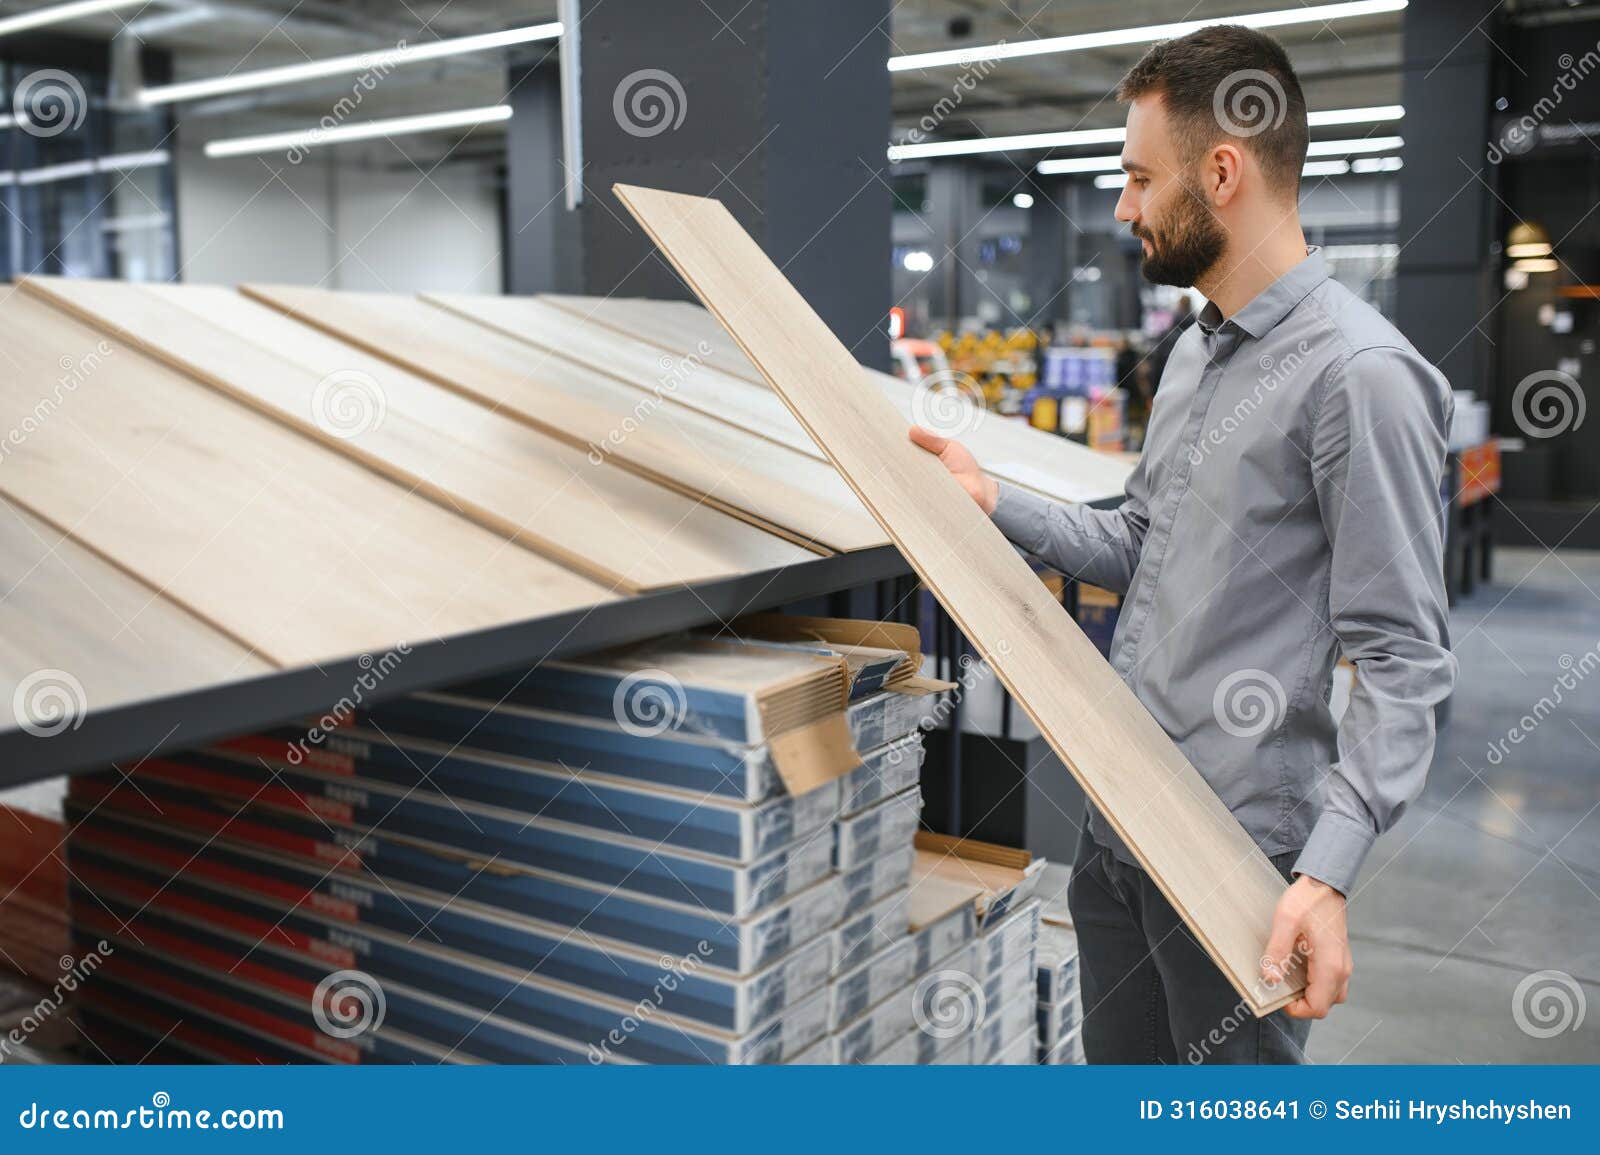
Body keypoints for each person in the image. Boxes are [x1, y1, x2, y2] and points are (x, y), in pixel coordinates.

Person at [910, 24, 1455, 1064]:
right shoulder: (1197, 354)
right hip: (1119, 826)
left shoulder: (1360, 376)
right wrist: (989, 501)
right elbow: (1137, 540)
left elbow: (1401, 659)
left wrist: (1325, 874)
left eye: (1135, 177)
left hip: (1235, 850)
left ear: (1220, 170)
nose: (1121, 207)